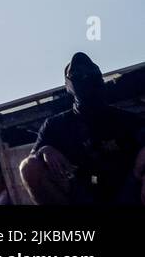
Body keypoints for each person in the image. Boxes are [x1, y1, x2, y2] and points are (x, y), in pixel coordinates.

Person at [19, 52, 145, 206]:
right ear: (68, 86)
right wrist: (45, 149)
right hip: (82, 192)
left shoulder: (126, 120)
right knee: (29, 166)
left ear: (99, 79)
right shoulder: (55, 125)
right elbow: (32, 163)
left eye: (89, 73)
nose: (85, 77)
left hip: (125, 190)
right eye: (77, 74)